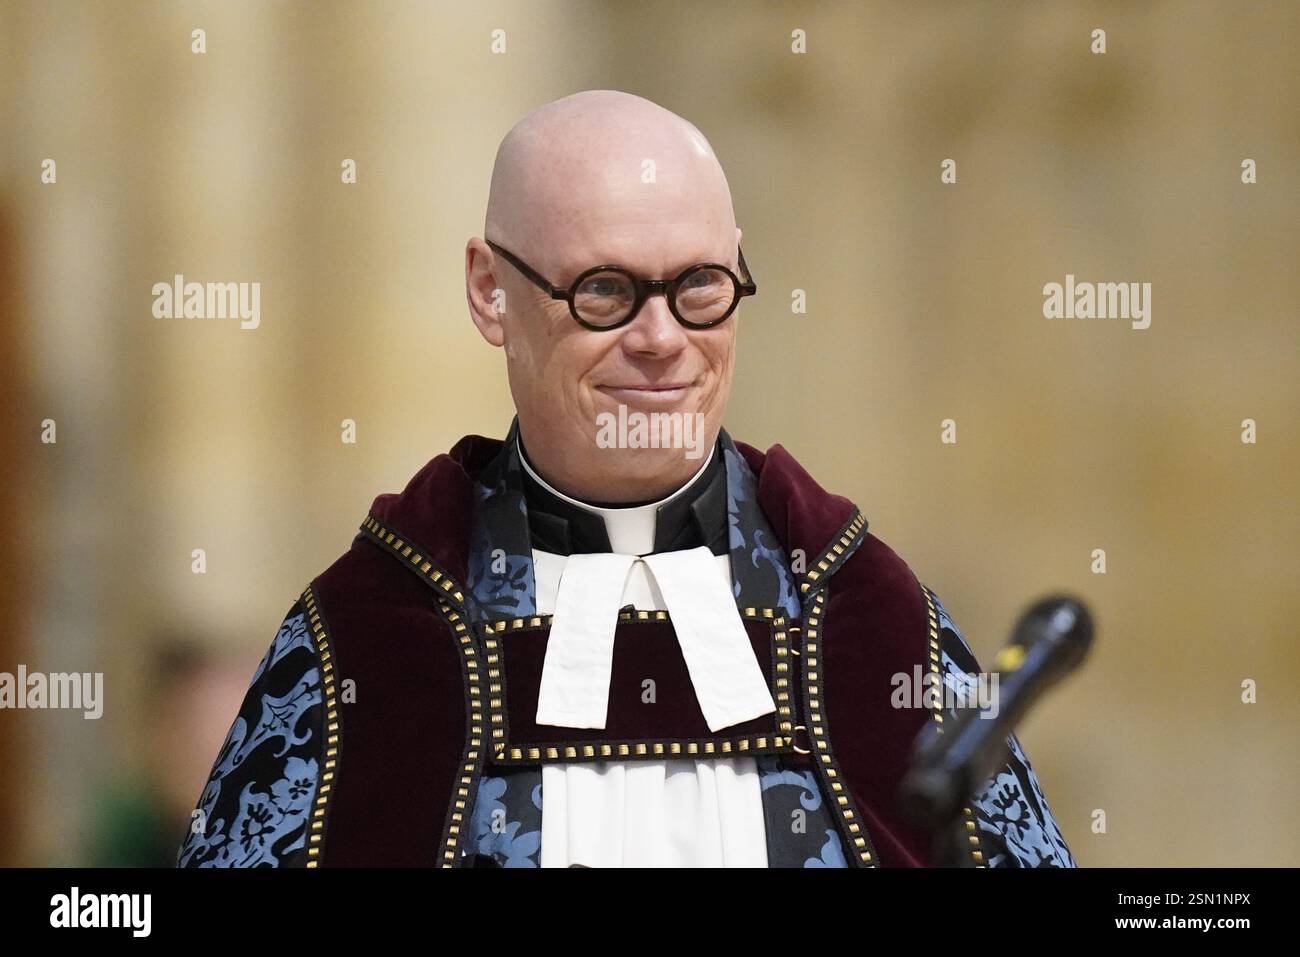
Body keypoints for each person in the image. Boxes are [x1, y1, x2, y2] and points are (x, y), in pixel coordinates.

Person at [176, 90, 1075, 868]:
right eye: (604, 290)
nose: (660, 338)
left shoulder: (866, 619)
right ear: (491, 291)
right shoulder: (372, 639)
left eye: (699, 284)